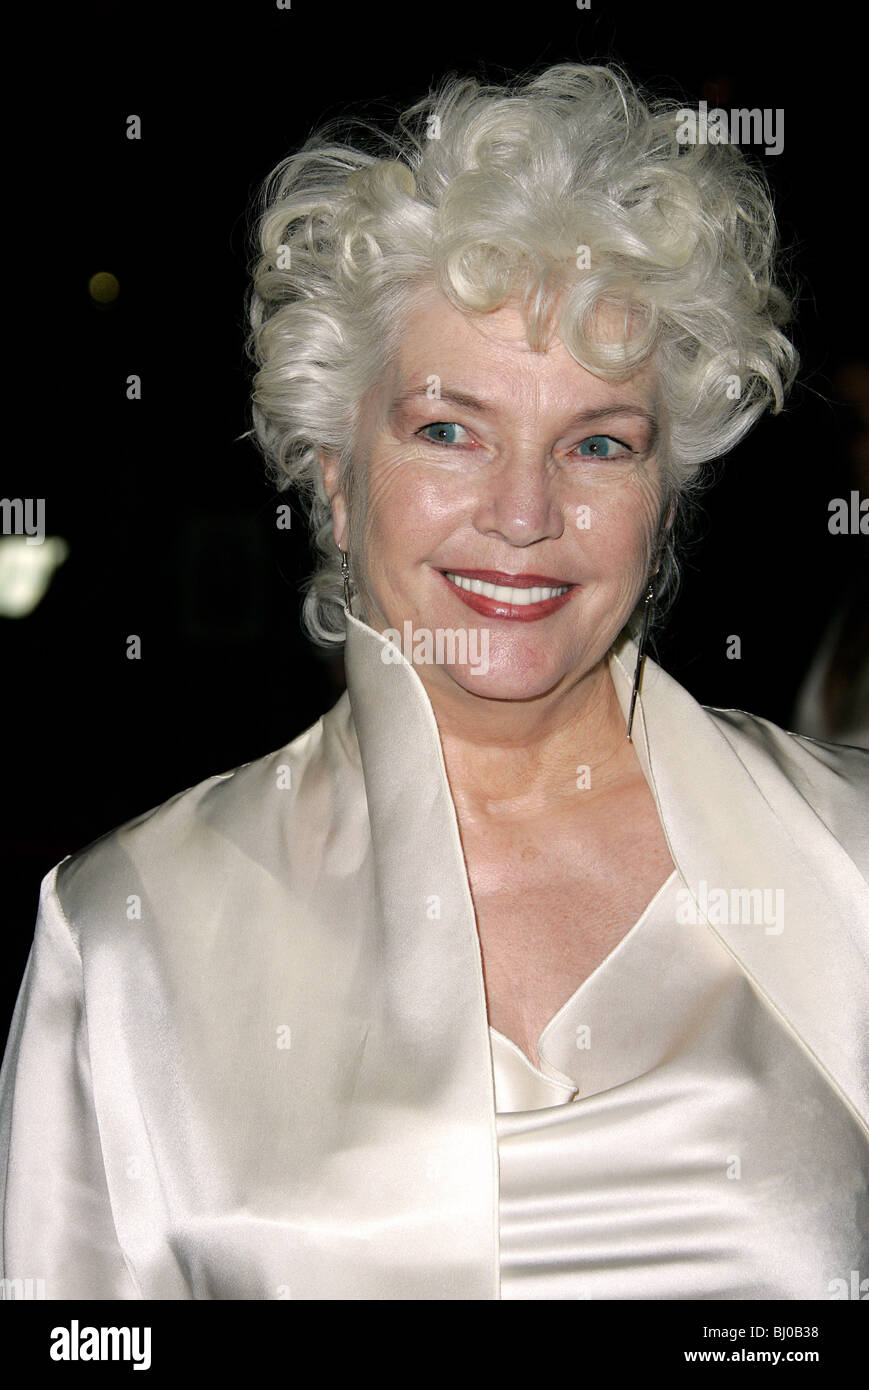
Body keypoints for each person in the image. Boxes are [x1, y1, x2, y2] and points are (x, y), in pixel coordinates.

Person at [2, 63, 867, 1302]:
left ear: (663, 499)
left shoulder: (849, 854)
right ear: (335, 473)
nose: (523, 513)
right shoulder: (126, 932)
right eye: (448, 429)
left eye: (597, 443)